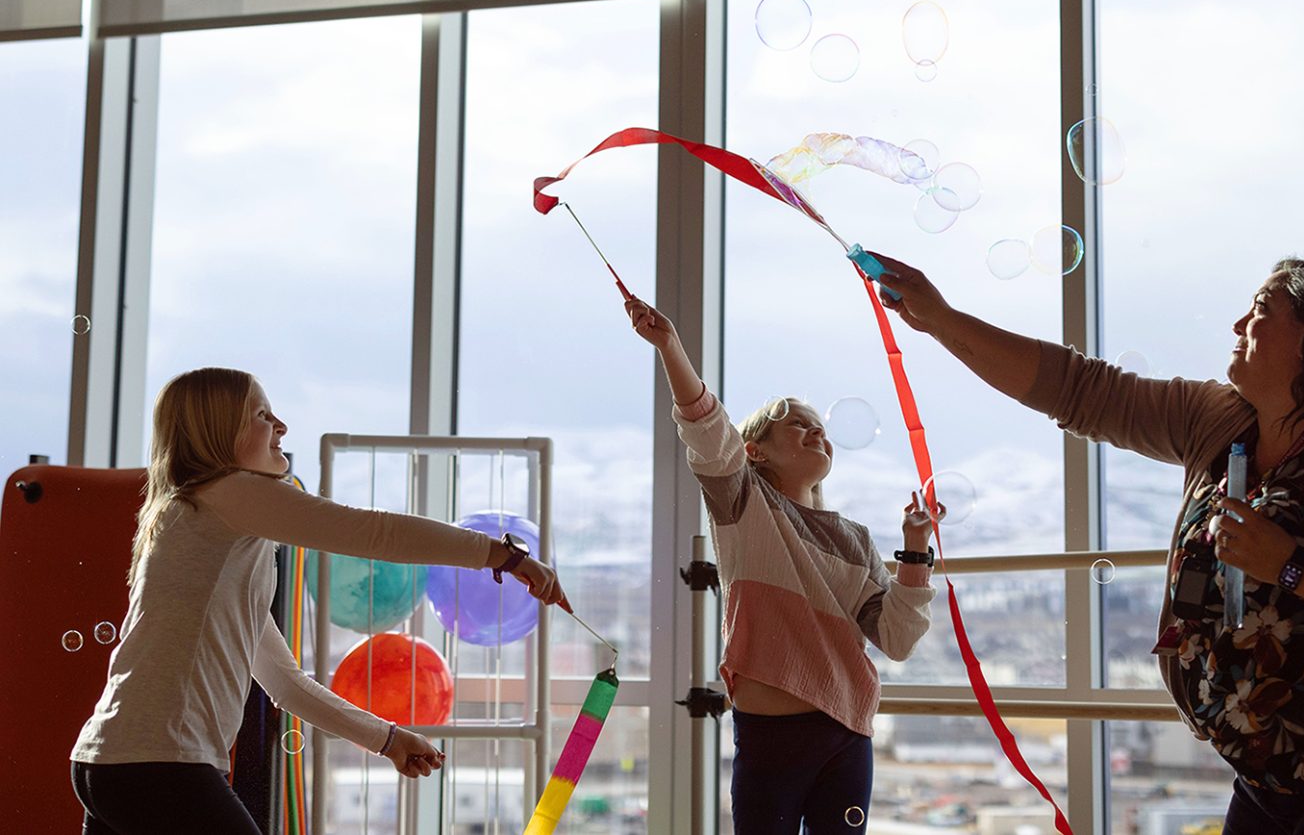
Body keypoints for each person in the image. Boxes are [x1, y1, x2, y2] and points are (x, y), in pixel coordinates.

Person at [866, 253, 1304, 834]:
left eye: (1261, 310)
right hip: (1273, 780)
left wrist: (1290, 566)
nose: (1238, 325)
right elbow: (1080, 390)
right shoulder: (1222, 422)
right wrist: (940, 318)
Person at [71, 367, 568, 835]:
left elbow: (284, 684)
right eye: (262, 415)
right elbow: (373, 532)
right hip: (160, 764)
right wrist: (501, 556)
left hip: (106, 764)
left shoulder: (201, 529)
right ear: (218, 432)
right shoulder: (229, 493)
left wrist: (387, 739)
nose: (281, 425)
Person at [625, 294, 938, 834]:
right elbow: (707, 433)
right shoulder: (745, 506)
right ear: (755, 452)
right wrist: (671, 347)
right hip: (769, 735)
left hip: (848, 734)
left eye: (820, 427)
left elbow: (898, 638)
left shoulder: (855, 539)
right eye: (798, 425)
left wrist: (913, 552)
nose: (817, 432)